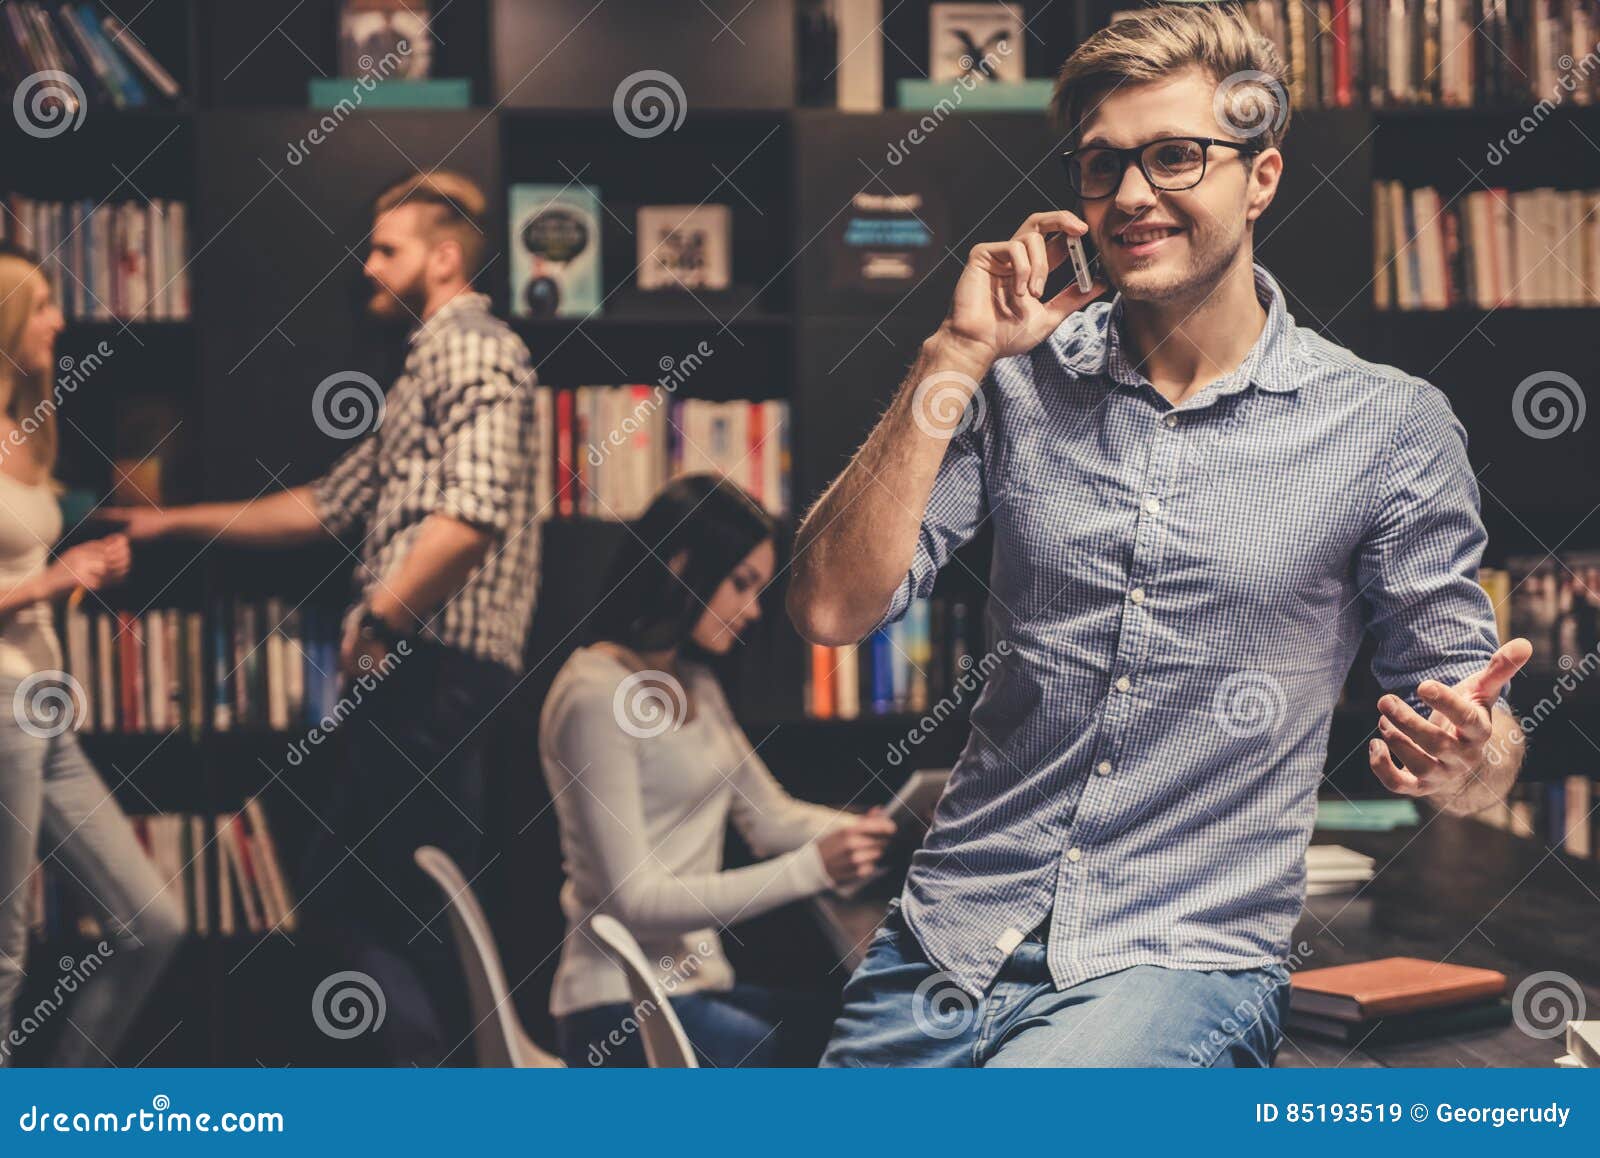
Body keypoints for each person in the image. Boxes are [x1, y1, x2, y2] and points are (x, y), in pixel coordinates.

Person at [787, 5, 1532, 1068]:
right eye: (1103, 166)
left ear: (1260, 177)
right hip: (947, 940)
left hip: (1175, 963)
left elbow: (1482, 750)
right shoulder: (1015, 381)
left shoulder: (1385, 427)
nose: (1131, 194)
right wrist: (955, 353)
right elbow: (827, 609)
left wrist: (1467, 756)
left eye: (1175, 155)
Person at [107, 172, 540, 1065]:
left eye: (388, 248)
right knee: (393, 897)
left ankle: (437, 1095)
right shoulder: (427, 365)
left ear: (445, 257)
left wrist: (379, 621)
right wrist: (170, 523)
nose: (368, 266)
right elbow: (327, 504)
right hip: (424, 667)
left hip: (435, 665)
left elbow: (474, 513)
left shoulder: (470, 348)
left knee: (371, 897)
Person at [541, 474, 896, 1067]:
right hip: (617, 1008)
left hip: (695, 989)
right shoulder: (593, 695)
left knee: (868, 1023)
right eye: (740, 584)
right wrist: (813, 868)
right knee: (845, 1050)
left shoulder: (696, 683)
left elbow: (770, 817)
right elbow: (637, 901)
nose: (753, 610)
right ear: (681, 566)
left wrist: (871, 828)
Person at [0, 250, 184, 1066]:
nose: (59, 322)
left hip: (41, 705)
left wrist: (86, 561)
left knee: (152, 924)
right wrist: (51, 581)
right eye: (42, 306)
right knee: (6, 953)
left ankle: (56, 1115)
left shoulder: (27, 433)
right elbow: (27, 578)